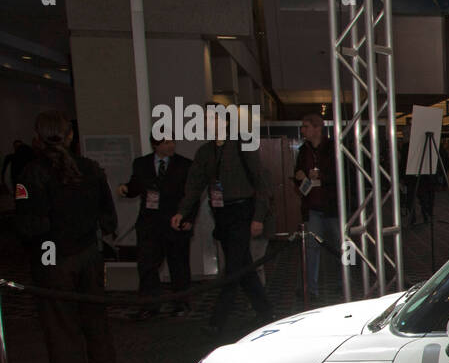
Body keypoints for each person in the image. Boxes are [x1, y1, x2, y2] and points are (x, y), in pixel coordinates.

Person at [14, 111, 120, 363]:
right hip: (89, 256)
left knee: (63, 336)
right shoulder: (90, 169)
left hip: (54, 260)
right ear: (70, 136)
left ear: (38, 135)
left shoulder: (30, 173)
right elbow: (109, 219)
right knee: (97, 332)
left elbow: (31, 227)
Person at [172, 111, 273, 335]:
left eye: (214, 118)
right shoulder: (205, 151)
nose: (210, 123)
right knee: (243, 267)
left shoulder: (242, 144)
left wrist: (258, 216)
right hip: (221, 214)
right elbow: (194, 186)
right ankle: (266, 312)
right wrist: (182, 212)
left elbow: (261, 182)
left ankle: (217, 321)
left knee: (233, 269)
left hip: (242, 210)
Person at [119, 135, 192, 318]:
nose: (170, 146)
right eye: (166, 142)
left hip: (175, 222)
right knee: (147, 266)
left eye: (172, 141)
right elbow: (135, 186)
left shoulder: (184, 165)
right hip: (149, 224)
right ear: (155, 144)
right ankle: (149, 305)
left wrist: (188, 218)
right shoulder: (141, 164)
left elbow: (191, 195)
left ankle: (181, 303)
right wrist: (126, 189)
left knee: (178, 265)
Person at [292, 113, 340, 300]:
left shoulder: (332, 148)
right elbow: (297, 173)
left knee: (340, 247)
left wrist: (320, 176)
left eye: (306, 126)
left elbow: (341, 175)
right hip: (312, 207)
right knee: (311, 247)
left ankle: (343, 283)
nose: (303, 130)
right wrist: (300, 177)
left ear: (317, 128)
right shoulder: (303, 150)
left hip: (333, 207)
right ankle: (311, 289)